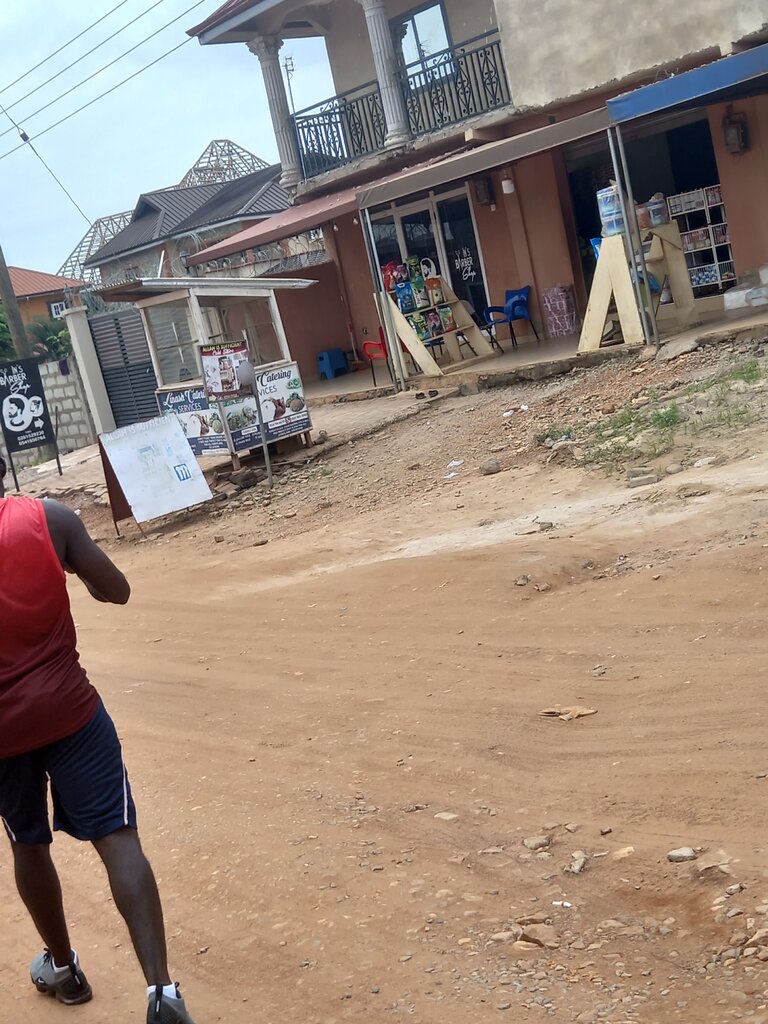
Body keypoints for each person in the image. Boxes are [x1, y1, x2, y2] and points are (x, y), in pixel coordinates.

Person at [0, 455, 196, 1024]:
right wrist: (76, 572)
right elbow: (117, 591)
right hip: (72, 713)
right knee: (118, 839)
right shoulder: (50, 518)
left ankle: (64, 969)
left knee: (27, 843)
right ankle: (162, 993)